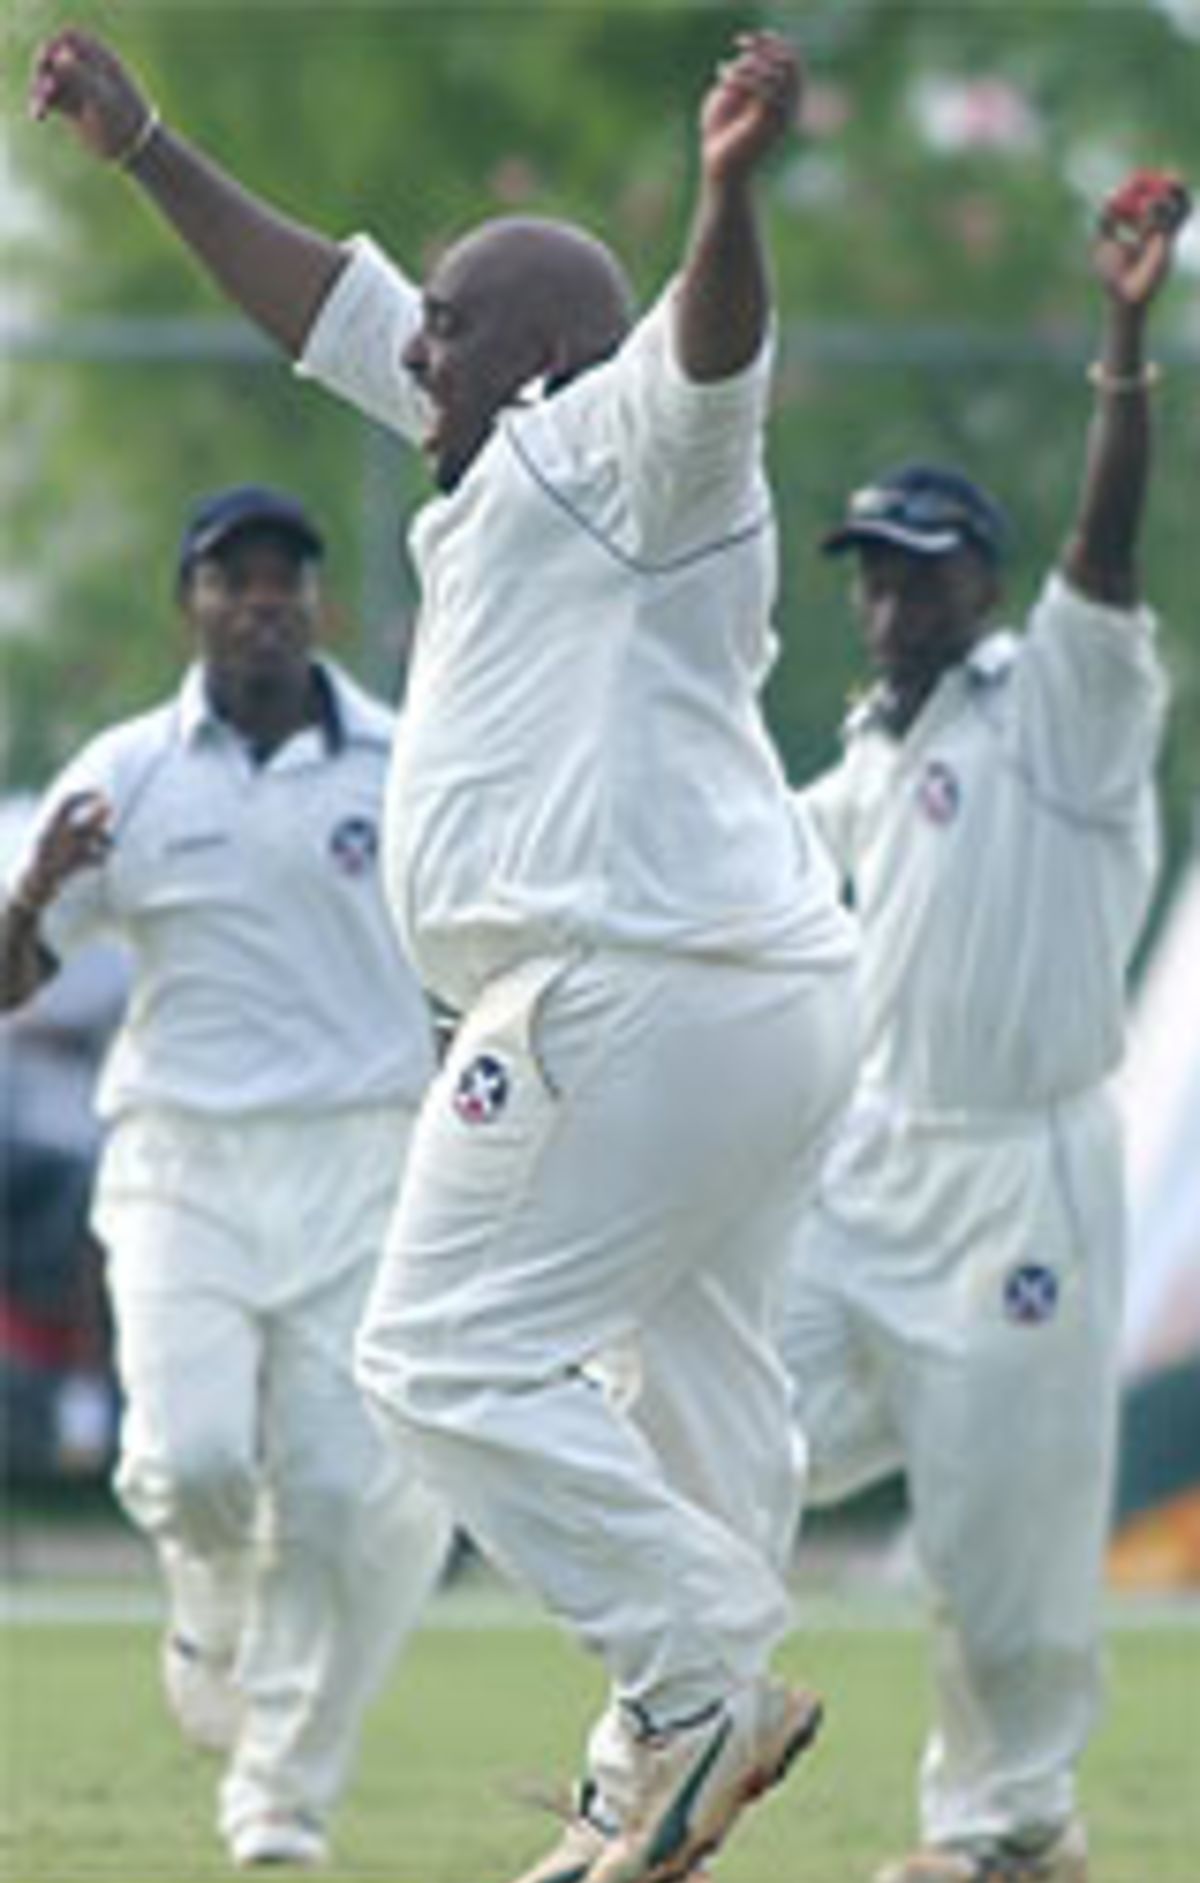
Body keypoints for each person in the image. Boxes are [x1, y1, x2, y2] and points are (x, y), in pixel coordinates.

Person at [28, 24, 860, 1883]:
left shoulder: (636, 443)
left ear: (553, 356)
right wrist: (150, 144)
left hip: (629, 978)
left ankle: (689, 1673)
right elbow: (326, 298)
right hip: (762, 994)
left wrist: (727, 196)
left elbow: (715, 350)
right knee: (707, 1397)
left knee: (426, 1361)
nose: (418, 343)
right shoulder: (485, 467)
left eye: (455, 323)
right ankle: (649, 1778)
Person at [779, 176, 1189, 1883]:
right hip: (873, 1159)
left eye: (923, 577)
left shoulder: (1065, 707)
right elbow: (726, 887)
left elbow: (1105, 552)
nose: (891, 606)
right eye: (872, 577)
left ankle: (1011, 1832)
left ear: (986, 589)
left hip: (1027, 1166)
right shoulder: (866, 762)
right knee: (721, 1421)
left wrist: (1121, 344)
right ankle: (667, 1733)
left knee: (1002, 1540)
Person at [0, 484, 452, 1871]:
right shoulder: (129, 775)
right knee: (191, 1461)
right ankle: (204, 1596)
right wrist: (31, 896)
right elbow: (13, 984)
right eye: (231, 581)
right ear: (190, 605)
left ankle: (282, 1797)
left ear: (317, 603)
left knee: (333, 1495)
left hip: (363, 1162)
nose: (261, 602)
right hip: (182, 1164)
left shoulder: (403, 760)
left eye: (285, 579)